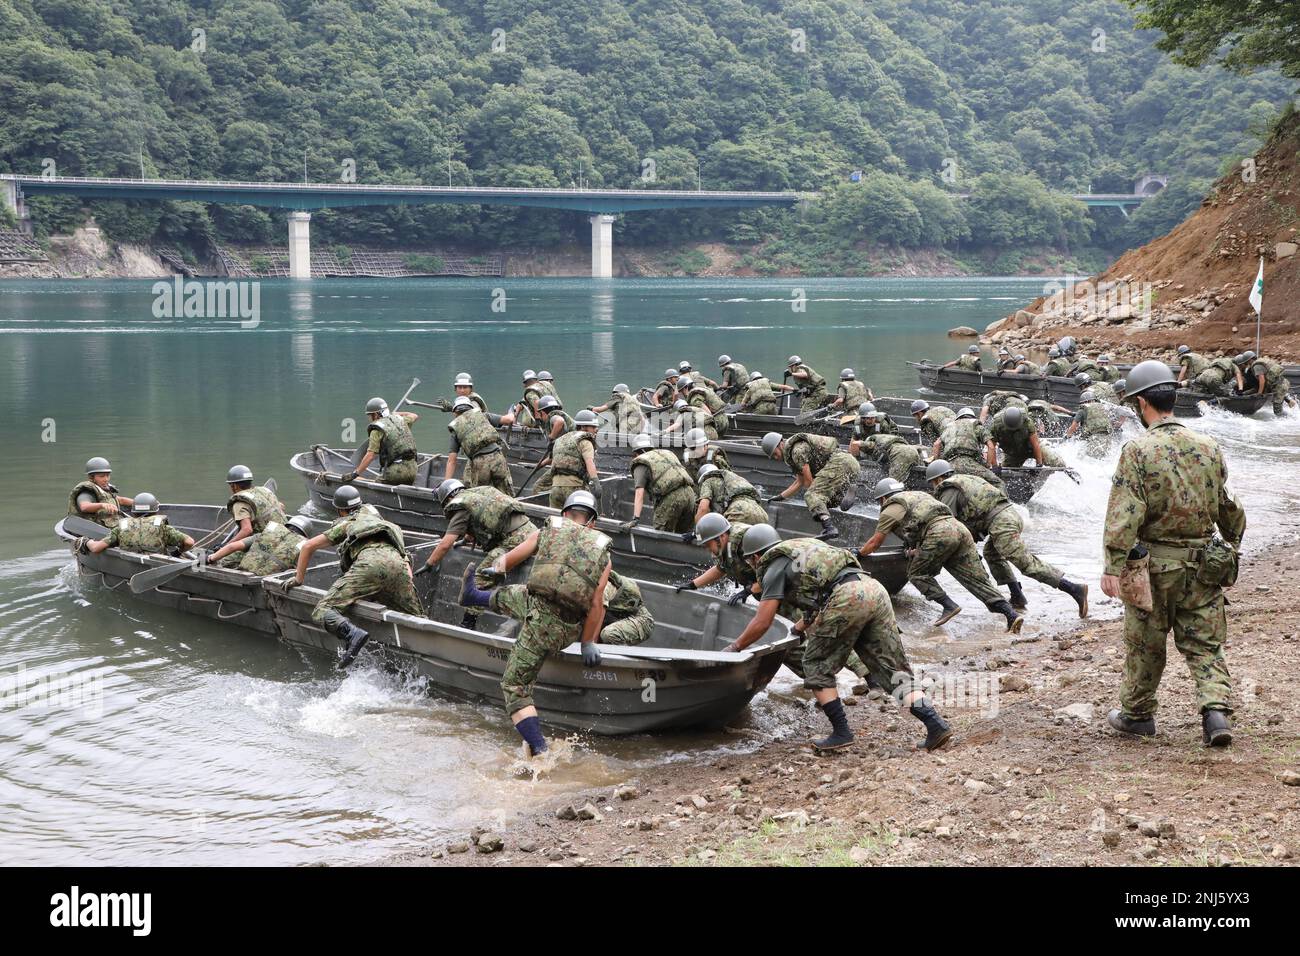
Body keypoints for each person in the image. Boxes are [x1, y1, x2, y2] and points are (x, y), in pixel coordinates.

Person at [1100, 361, 1246, 747]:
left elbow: (1124, 513)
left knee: (1146, 643)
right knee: (1204, 644)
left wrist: (1113, 566)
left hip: (1154, 569)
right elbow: (1228, 506)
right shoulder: (1208, 446)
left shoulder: (1137, 450)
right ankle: (1215, 713)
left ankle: (1138, 715)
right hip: (1204, 566)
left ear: (1142, 403)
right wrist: (1232, 545)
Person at [724, 525, 953, 752]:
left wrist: (735, 647)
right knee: (894, 669)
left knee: (814, 664)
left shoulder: (772, 565)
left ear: (755, 556)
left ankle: (841, 732)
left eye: (750, 563)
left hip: (847, 598)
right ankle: (935, 725)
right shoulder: (804, 548)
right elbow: (818, 598)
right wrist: (797, 629)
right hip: (873, 589)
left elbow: (762, 621)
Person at [459, 490, 612, 756]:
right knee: (520, 595)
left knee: (514, 687)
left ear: (564, 514)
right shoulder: (603, 554)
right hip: (568, 629)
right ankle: (474, 596)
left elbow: (516, 554)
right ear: (593, 522)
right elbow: (597, 604)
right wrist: (587, 642)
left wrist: (497, 568)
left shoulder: (549, 531)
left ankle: (540, 750)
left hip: (540, 623)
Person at [677, 515, 875, 696]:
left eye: (707, 544)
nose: (707, 549)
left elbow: (770, 568)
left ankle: (865, 674)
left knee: (816, 631)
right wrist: (694, 584)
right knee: (791, 642)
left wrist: (749, 590)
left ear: (720, 537)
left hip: (781, 593)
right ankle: (819, 682)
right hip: (771, 595)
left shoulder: (744, 542)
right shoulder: (725, 545)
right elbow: (721, 568)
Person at [858, 478, 1024, 632]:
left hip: (940, 533)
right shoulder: (920, 496)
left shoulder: (890, 508)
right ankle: (1011, 615)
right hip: (960, 530)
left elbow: (875, 542)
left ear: (883, 498)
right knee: (976, 581)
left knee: (917, 574)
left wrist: (859, 553)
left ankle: (948, 605)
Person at [927, 460, 1088, 615]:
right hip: (1009, 515)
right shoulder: (965, 479)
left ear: (939, 479)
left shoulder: (948, 489)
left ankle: (1074, 589)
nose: (935, 487)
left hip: (1001, 524)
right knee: (992, 554)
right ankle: (1017, 596)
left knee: (1027, 565)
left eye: (933, 482)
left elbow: (948, 524)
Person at [289, 484, 422, 669]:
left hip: (369, 565)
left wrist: (298, 579)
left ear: (340, 510)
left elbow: (307, 546)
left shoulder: (347, 522)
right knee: (419, 621)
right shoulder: (381, 523)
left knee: (323, 609)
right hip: (398, 567)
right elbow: (408, 570)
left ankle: (353, 635)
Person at [416, 478, 538, 627]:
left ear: (447, 498)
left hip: (514, 540)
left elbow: (445, 543)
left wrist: (430, 563)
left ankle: (468, 622)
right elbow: (488, 515)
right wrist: (468, 538)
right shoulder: (478, 492)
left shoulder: (460, 507)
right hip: (531, 532)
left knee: (480, 576)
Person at [762, 431, 861, 540]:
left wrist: (812, 499)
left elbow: (809, 483)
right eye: (773, 457)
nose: (776, 458)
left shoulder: (797, 451)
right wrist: (780, 496)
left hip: (841, 464)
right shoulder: (792, 454)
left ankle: (829, 528)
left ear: (780, 444)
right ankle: (845, 494)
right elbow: (799, 482)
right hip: (848, 465)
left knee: (812, 495)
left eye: (775, 454)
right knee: (825, 502)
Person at [77, 493, 195, 557]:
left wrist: (86, 541)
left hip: (129, 565)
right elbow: (190, 542)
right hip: (158, 562)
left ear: (133, 512)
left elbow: (96, 548)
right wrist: (178, 552)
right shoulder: (164, 528)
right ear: (156, 511)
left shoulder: (121, 528)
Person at [215, 465, 288, 567]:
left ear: (234, 486)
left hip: (266, 541)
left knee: (223, 561)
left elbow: (247, 530)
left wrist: (225, 546)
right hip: (285, 536)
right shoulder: (265, 491)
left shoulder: (239, 503)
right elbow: (281, 506)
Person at [624, 433, 697, 533]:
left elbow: (639, 494)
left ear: (636, 453)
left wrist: (635, 519)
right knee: (684, 536)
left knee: (662, 536)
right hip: (690, 494)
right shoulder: (666, 453)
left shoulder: (641, 463)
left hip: (672, 498)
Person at [444, 397, 516, 494]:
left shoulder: (455, 428)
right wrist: (511, 412)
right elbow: (510, 419)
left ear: (455, 413)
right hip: (498, 458)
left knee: (480, 496)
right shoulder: (483, 415)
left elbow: (451, 461)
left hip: (480, 464)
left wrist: (445, 485)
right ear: (471, 408)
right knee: (507, 494)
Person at [345, 397, 420, 485]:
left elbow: (370, 455)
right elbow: (414, 415)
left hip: (396, 474)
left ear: (376, 414)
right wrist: (394, 414)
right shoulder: (401, 420)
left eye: (370, 415)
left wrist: (355, 474)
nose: (369, 418)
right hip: (413, 471)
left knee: (374, 482)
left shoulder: (376, 430)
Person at [207, 514, 314, 575]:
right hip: (267, 582)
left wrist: (211, 558)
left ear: (287, 526)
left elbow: (232, 546)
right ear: (305, 535)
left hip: (244, 573)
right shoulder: (304, 546)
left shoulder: (264, 534)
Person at [541, 409, 601, 509]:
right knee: (579, 519)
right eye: (593, 427)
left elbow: (554, 461)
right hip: (573, 488)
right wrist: (596, 483)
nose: (596, 430)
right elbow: (590, 463)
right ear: (583, 427)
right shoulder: (585, 441)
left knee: (556, 520)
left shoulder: (561, 439)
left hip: (555, 489)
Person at [933, 407, 1005, 489]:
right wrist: (989, 466)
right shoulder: (976, 425)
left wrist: (937, 465)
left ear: (958, 418)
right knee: (998, 483)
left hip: (950, 466)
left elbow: (936, 445)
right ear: (972, 417)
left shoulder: (949, 427)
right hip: (971, 464)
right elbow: (991, 447)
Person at [987, 406, 1065, 468]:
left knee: (1056, 461)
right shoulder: (996, 426)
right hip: (1013, 453)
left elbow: (1035, 444)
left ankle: (1069, 472)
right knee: (1007, 474)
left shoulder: (1027, 422)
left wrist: (1039, 464)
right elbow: (991, 447)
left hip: (1031, 448)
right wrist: (995, 466)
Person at [68, 457, 133, 528]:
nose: (106, 479)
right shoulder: (87, 491)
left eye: (107, 475)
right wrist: (102, 505)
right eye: (102, 476)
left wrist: (138, 503)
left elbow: (120, 500)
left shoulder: (103, 489)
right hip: (96, 529)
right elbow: (84, 506)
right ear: (91, 477)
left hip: (113, 523)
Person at [695, 463, 768, 526]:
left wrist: (697, 534)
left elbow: (703, 508)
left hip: (739, 511)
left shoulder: (708, 480)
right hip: (761, 513)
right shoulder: (732, 479)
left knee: (724, 539)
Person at [1064, 389, 1114, 458]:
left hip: (1094, 440)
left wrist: (1067, 437)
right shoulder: (1103, 407)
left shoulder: (1082, 410)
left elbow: (1073, 427)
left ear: (1084, 402)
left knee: (1083, 458)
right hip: (1108, 439)